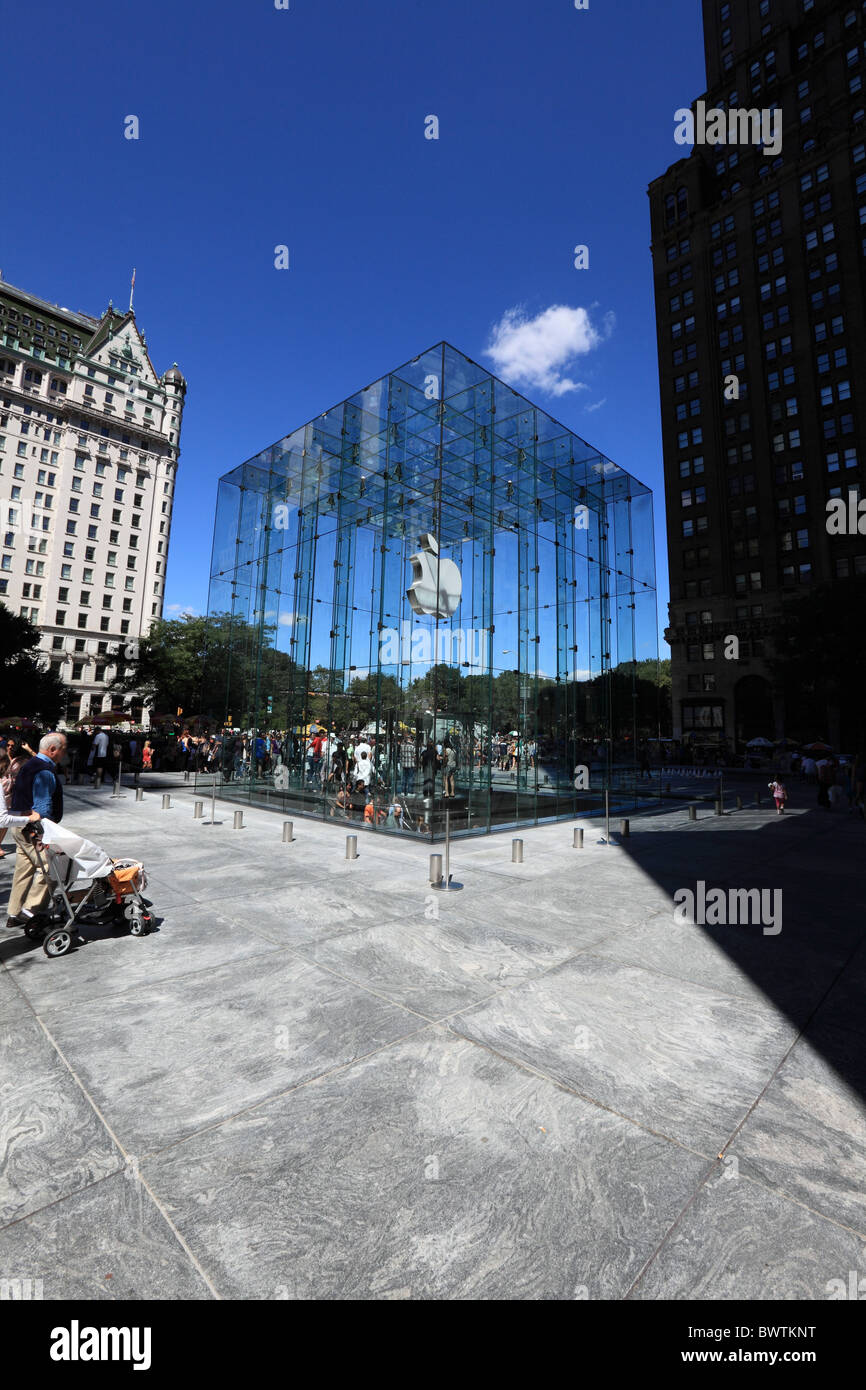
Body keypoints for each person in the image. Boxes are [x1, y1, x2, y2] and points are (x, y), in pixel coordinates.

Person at [5, 732, 67, 930]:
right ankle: (29, 911)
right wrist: (43, 834)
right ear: (53, 750)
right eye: (64, 749)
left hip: (18, 824)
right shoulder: (44, 771)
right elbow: (42, 809)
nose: (65, 753)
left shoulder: (29, 764)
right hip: (32, 828)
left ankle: (13, 913)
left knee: (24, 870)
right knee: (52, 869)